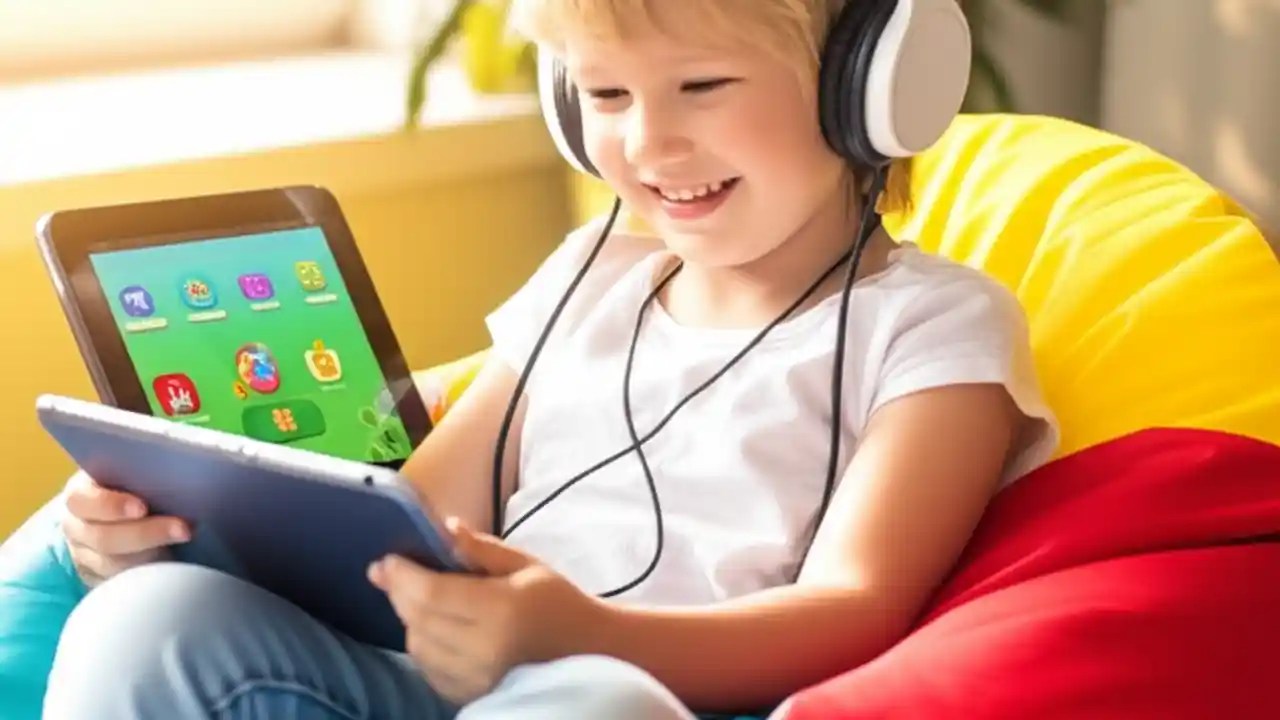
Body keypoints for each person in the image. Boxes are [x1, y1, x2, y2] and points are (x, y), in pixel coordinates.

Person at [42, 1, 1058, 718]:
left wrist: (583, 636)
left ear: (864, 90)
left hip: (643, 690)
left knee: (593, 707)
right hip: (437, 671)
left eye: (701, 85)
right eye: (605, 94)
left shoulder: (932, 327)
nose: (648, 141)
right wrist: (185, 536)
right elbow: (421, 516)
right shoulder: (587, 273)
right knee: (153, 614)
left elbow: (855, 610)